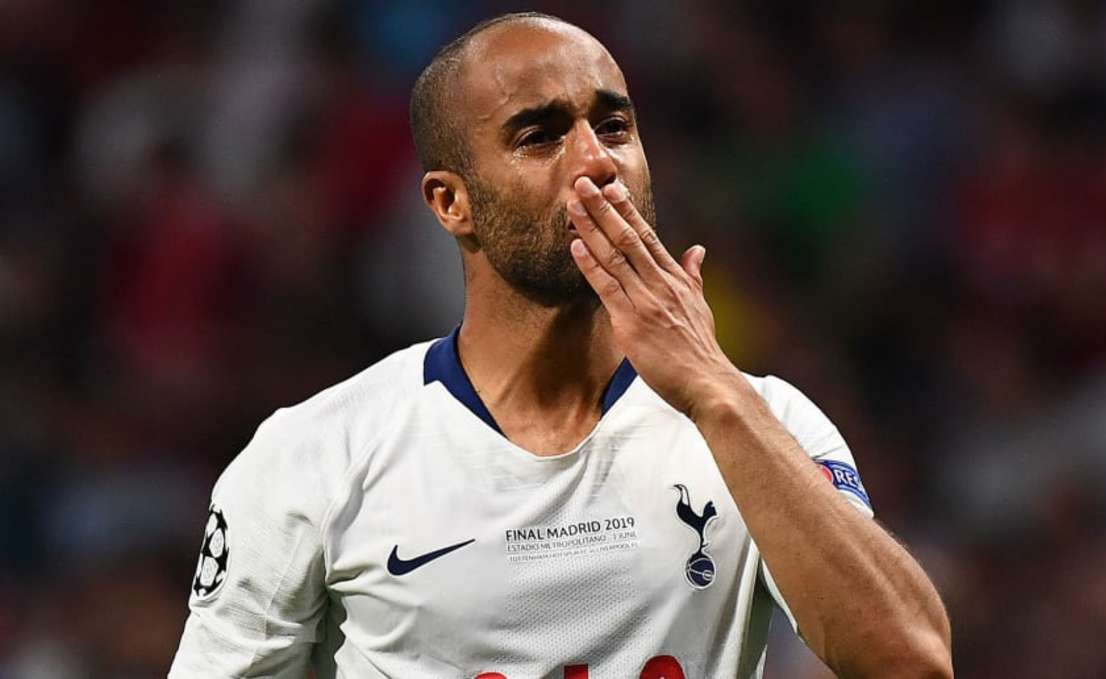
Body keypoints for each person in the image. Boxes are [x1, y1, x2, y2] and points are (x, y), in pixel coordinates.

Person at [169, 12, 951, 679]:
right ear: (451, 202)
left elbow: (912, 661)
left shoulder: (758, 421)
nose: (596, 162)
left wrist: (715, 391)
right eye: (540, 136)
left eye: (614, 127)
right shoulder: (316, 455)